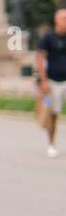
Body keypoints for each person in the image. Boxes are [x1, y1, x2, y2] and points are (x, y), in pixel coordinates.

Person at [35, 8, 66, 157]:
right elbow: (40, 59)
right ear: (56, 20)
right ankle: (52, 144)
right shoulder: (48, 38)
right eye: (64, 18)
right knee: (53, 114)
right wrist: (43, 81)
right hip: (53, 82)